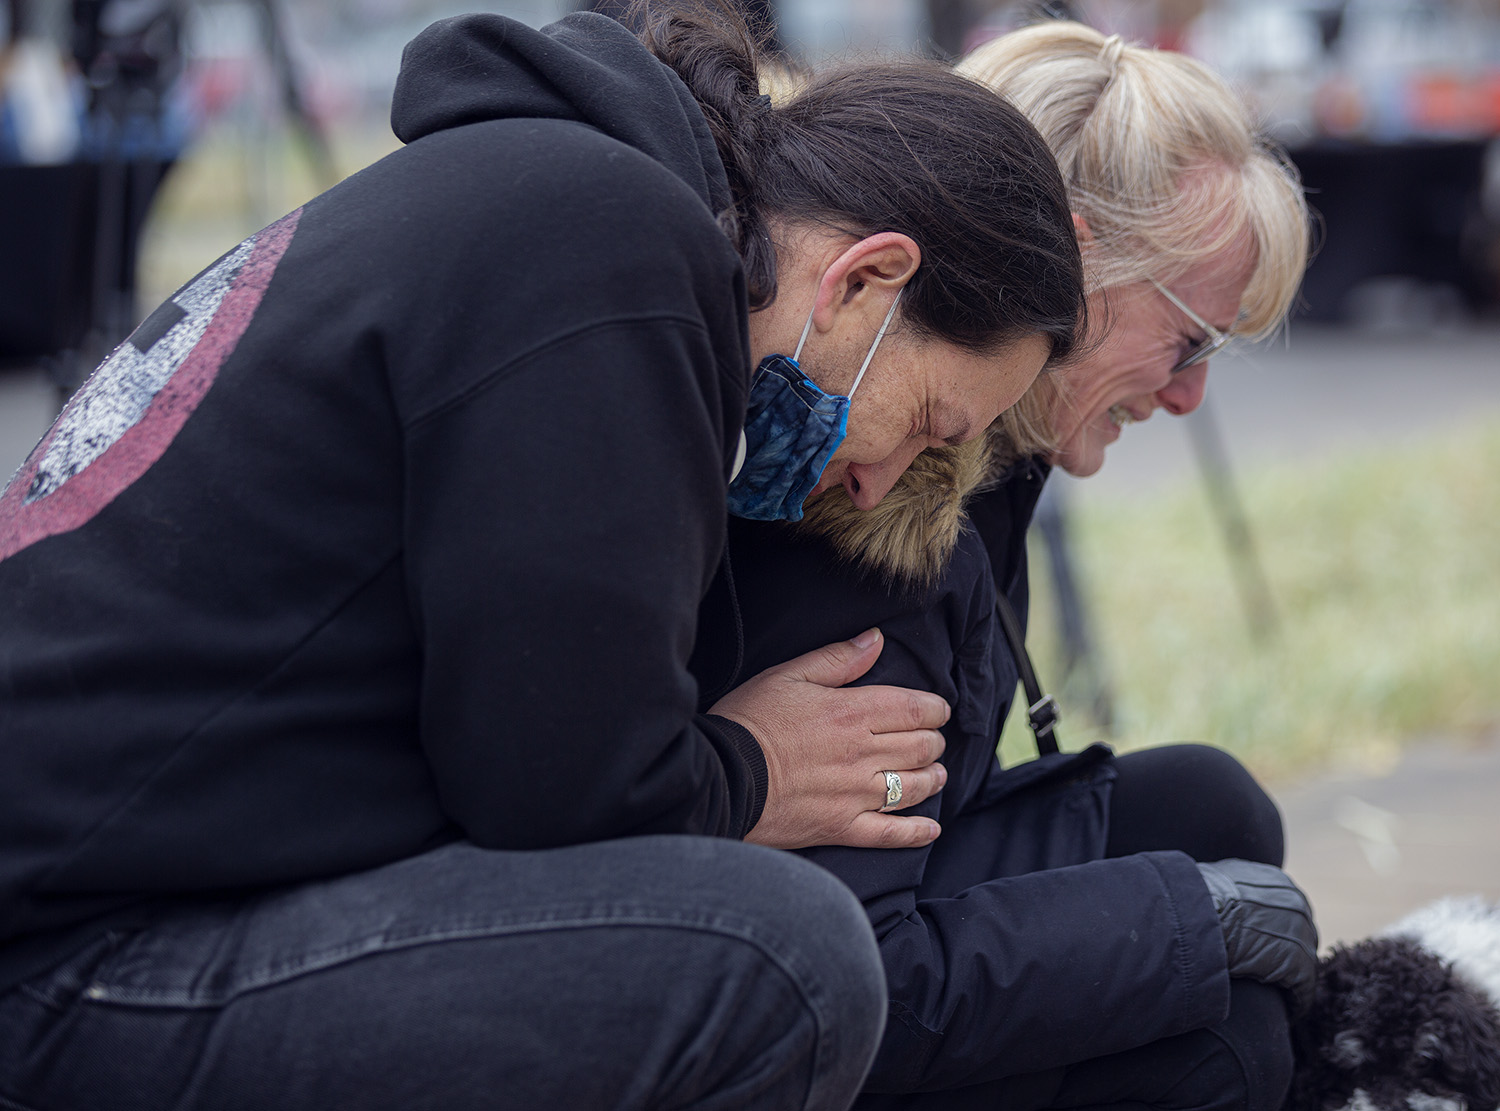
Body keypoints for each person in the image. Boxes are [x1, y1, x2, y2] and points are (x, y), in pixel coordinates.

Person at [0, 3, 1088, 1108]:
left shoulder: (552, 192)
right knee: (785, 961)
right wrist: (755, 767)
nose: (880, 481)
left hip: (106, 888)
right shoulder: (612, 253)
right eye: (929, 426)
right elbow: (559, 789)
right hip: (68, 953)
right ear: (864, 279)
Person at [694, 18, 1318, 1111]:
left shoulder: (970, 462)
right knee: (1227, 1048)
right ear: (1078, 264)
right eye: (1190, 341)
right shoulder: (875, 493)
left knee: (1209, 809)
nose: (1188, 396)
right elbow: (853, 983)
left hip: (842, 919)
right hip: (770, 1002)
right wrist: (1189, 923)